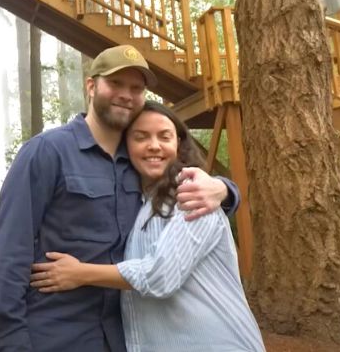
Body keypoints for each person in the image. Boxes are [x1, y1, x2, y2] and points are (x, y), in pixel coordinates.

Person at [0, 45, 240, 351]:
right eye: (115, 83)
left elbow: (185, 184)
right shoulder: (47, 152)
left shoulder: (140, 163)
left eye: (136, 88)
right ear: (91, 86)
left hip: (123, 339)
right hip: (56, 336)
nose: (126, 94)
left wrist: (225, 190)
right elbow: (9, 255)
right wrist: (10, 343)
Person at [29, 101, 264, 352]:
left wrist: (79, 273)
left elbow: (160, 276)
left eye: (165, 136)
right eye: (141, 137)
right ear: (125, 147)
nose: (154, 145)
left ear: (180, 145)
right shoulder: (138, 202)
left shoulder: (194, 195)